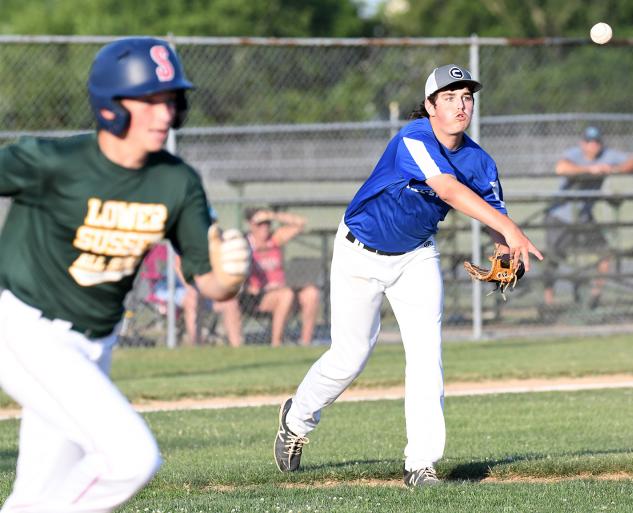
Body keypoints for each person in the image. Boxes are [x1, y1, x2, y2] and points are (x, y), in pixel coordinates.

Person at [0, 37, 250, 512]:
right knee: (130, 459)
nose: (164, 114)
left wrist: (231, 276)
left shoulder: (175, 181)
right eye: (150, 100)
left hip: (97, 343)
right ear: (110, 106)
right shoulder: (54, 162)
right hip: (26, 331)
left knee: (36, 496)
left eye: (171, 100)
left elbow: (209, 282)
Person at [272, 64, 543, 487]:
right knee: (349, 357)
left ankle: (421, 464)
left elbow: (494, 217)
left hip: (415, 257)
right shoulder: (412, 138)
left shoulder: (479, 161)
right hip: (359, 253)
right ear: (430, 105)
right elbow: (449, 190)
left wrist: (506, 246)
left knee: (425, 358)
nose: (461, 104)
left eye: (467, 97)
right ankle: (297, 419)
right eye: (450, 97)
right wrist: (511, 230)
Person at [542, 125, 633, 309]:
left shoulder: (607, 155)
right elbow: (561, 167)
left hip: (584, 217)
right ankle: (549, 302)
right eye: (589, 142)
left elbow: (632, 163)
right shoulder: (574, 154)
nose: (593, 146)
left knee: (605, 254)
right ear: (582, 143)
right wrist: (590, 170)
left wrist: (613, 169)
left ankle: (594, 297)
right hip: (560, 217)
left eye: (596, 142)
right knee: (553, 258)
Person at [213, 208, 321, 347]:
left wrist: (273, 215)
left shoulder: (274, 239)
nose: (264, 227)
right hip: (256, 296)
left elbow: (301, 223)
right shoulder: (245, 243)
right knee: (286, 295)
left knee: (311, 293)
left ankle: (305, 343)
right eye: (260, 223)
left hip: (281, 291)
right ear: (251, 224)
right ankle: (276, 344)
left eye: (267, 223)